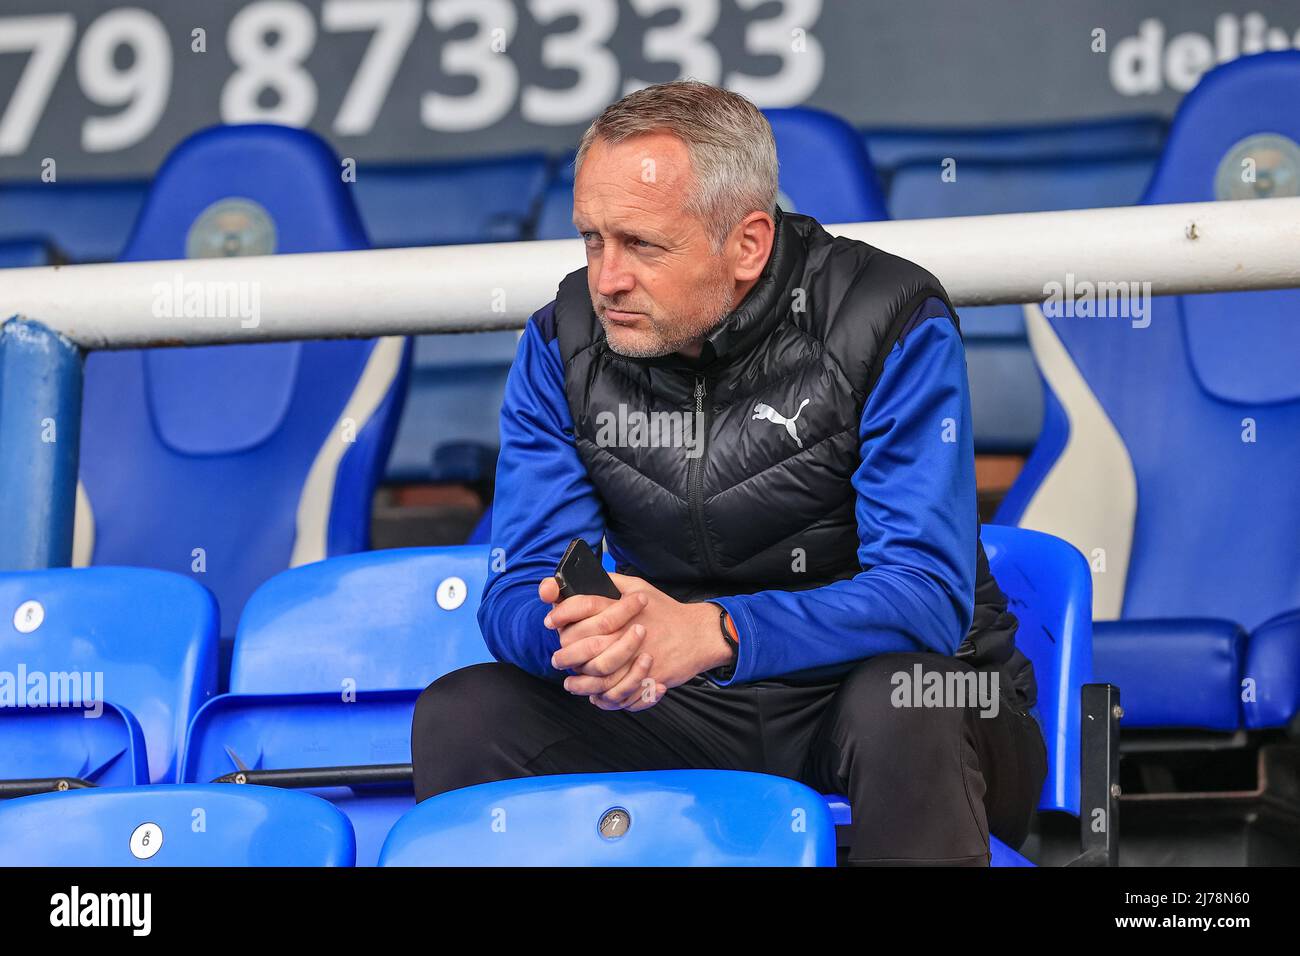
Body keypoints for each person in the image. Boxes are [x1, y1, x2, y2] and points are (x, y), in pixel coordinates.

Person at [411, 80, 1047, 865]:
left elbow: (925, 598)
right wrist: (593, 639)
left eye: (642, 245)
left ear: (747, 243)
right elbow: (514, 589)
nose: (606, 278)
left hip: (906, 702)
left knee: (901, 700)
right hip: (687, 705)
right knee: (465, 712)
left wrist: (717, 632)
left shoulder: (887, 314)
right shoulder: (560, 342)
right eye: (591, 240)